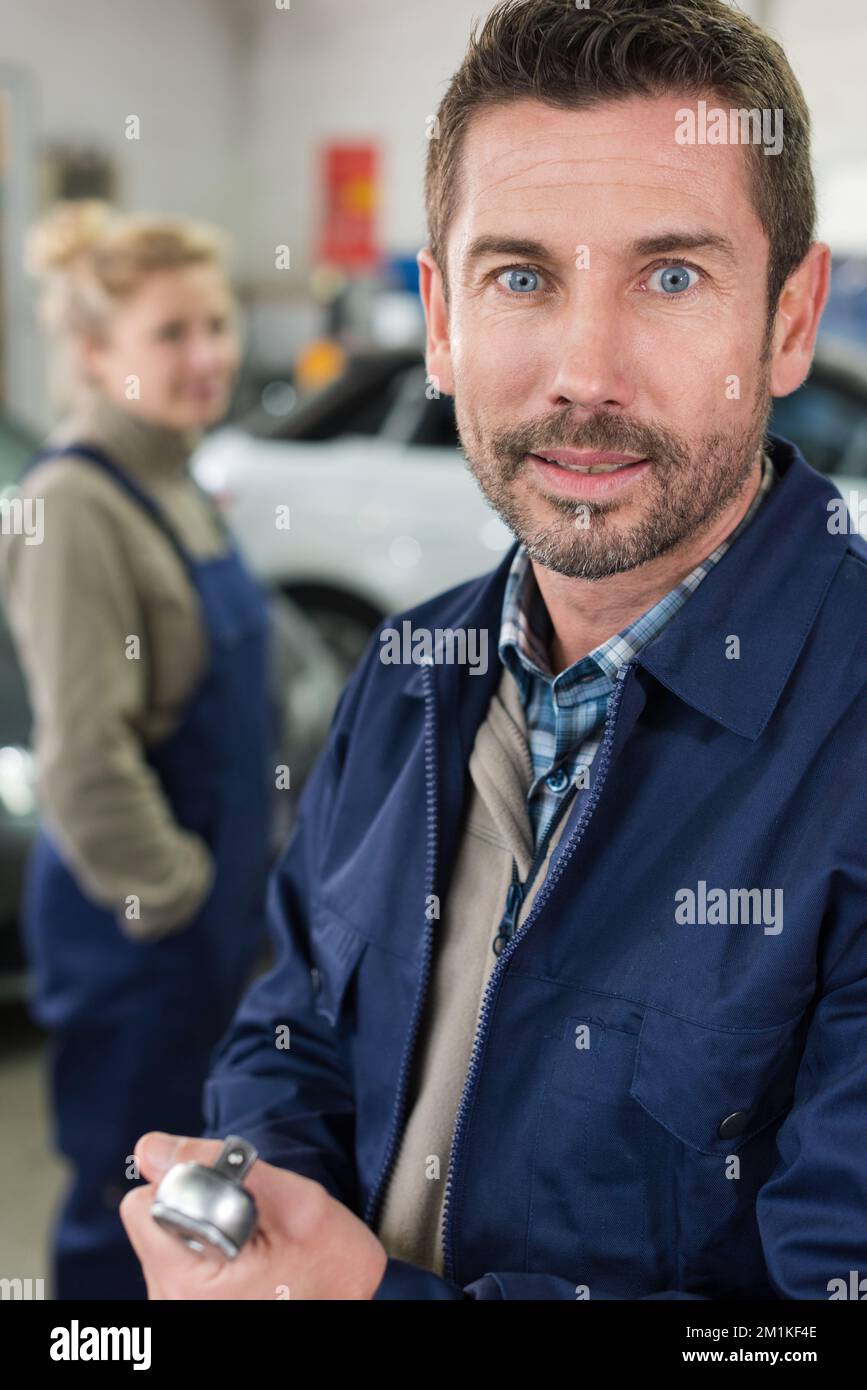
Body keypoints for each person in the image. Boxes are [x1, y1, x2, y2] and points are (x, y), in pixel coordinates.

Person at [121, 0, 867, 1300]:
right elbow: (292, 1011)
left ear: (789, 320)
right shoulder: (410, 664)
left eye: (670, 276)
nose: (583, 371)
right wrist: (253, 1215)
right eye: (520, 276)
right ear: (444, 321)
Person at [0, 201, 273, 1299]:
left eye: (218, 323)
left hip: (207, 927)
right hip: (137, 933)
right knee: (119, 1218)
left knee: (189, 1208)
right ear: (97, 350)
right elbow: (83, 759)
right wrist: (177, 895)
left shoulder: (179, 477)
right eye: (171, 333)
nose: (207, 354)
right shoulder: (71, 503)